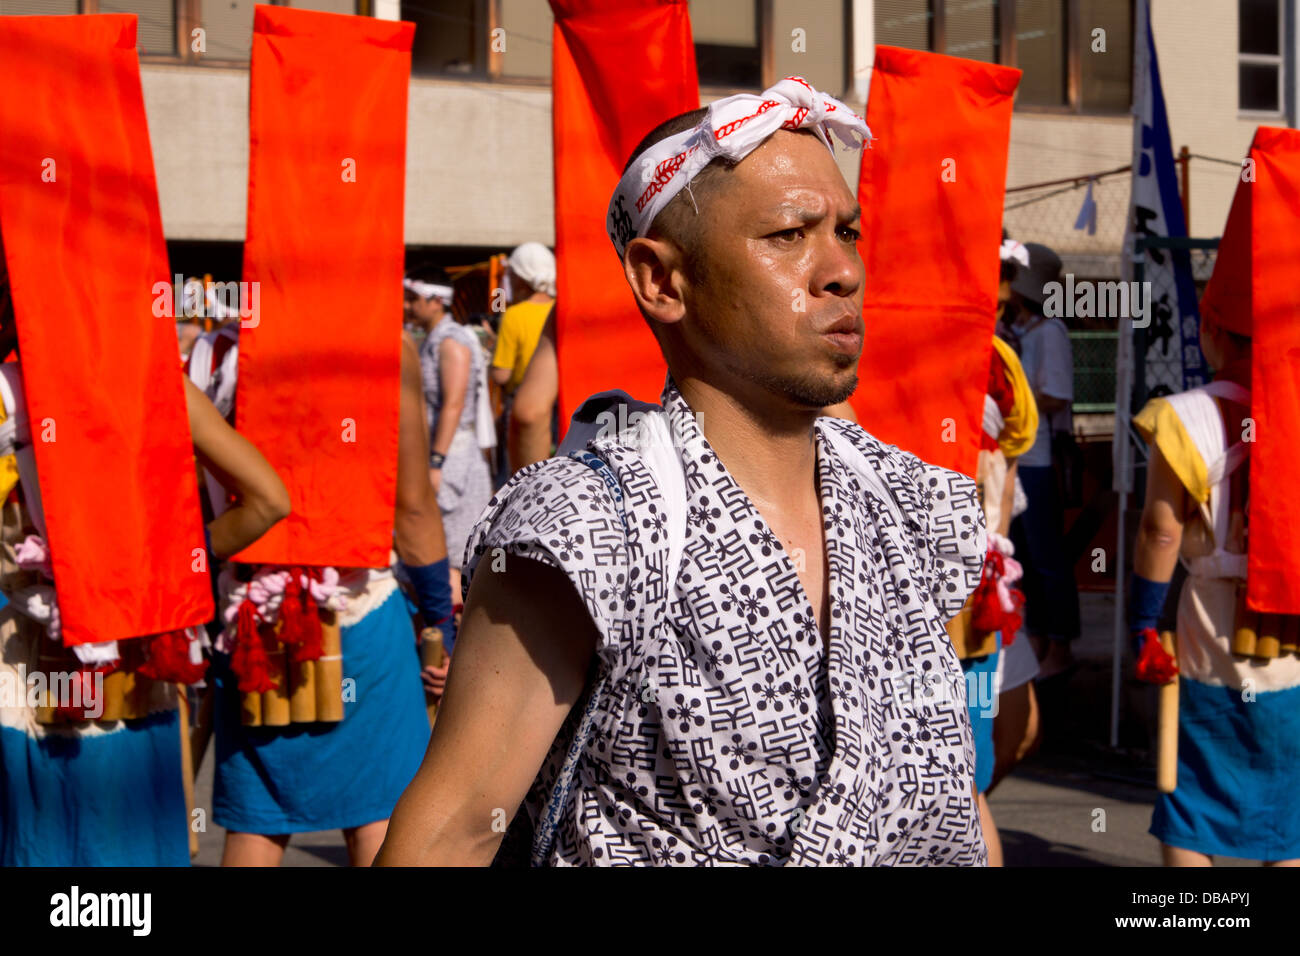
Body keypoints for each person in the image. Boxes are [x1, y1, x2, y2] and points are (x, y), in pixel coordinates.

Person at [378, 78, 989, 867]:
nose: (841, 270)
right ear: (662, 280)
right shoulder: (591, 526)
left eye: (849, 230)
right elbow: (456, 830)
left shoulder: (905, 504)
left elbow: (952, 807)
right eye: (789, 234)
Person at [0, 249, 290, 866]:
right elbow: (268, 500)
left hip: (24, 677)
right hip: (138, 676)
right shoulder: (158, 383)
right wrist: (169, 565)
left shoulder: (7, 392)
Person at [196, 324, 452, 868]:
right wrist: (441, 622)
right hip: (360, 616)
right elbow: (413, 510)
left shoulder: (211, 351)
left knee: (257, 824)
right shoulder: (386, 342)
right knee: (377, 821)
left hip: (251, 624)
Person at [1129, 303, 1300, 867]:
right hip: (1291, 623)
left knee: (1192, 795)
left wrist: (1144, 621)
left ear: (1209, 332)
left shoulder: (1184, 416)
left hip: (1213, 624)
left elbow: (1160, 531)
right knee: (1289, 807)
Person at [1005, 242, 1080, 681]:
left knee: (1048, 557)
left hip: (1040, 458)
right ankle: (1039, 638)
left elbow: (1057, 396)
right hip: (1023, 457)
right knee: (1029, 556)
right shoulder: (1026, 332)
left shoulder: (1049, 331)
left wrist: (1013, 402)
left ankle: (1061, 644)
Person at [411, 273, 495, 603]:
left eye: (412, 298)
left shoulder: (452, 340)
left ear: (435, 300)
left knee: (452, 560)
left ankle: (450, 646)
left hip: (452, 460)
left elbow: (454, 403)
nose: (407, 305)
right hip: (439, 456)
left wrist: (436, 462)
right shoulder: (430, 338)